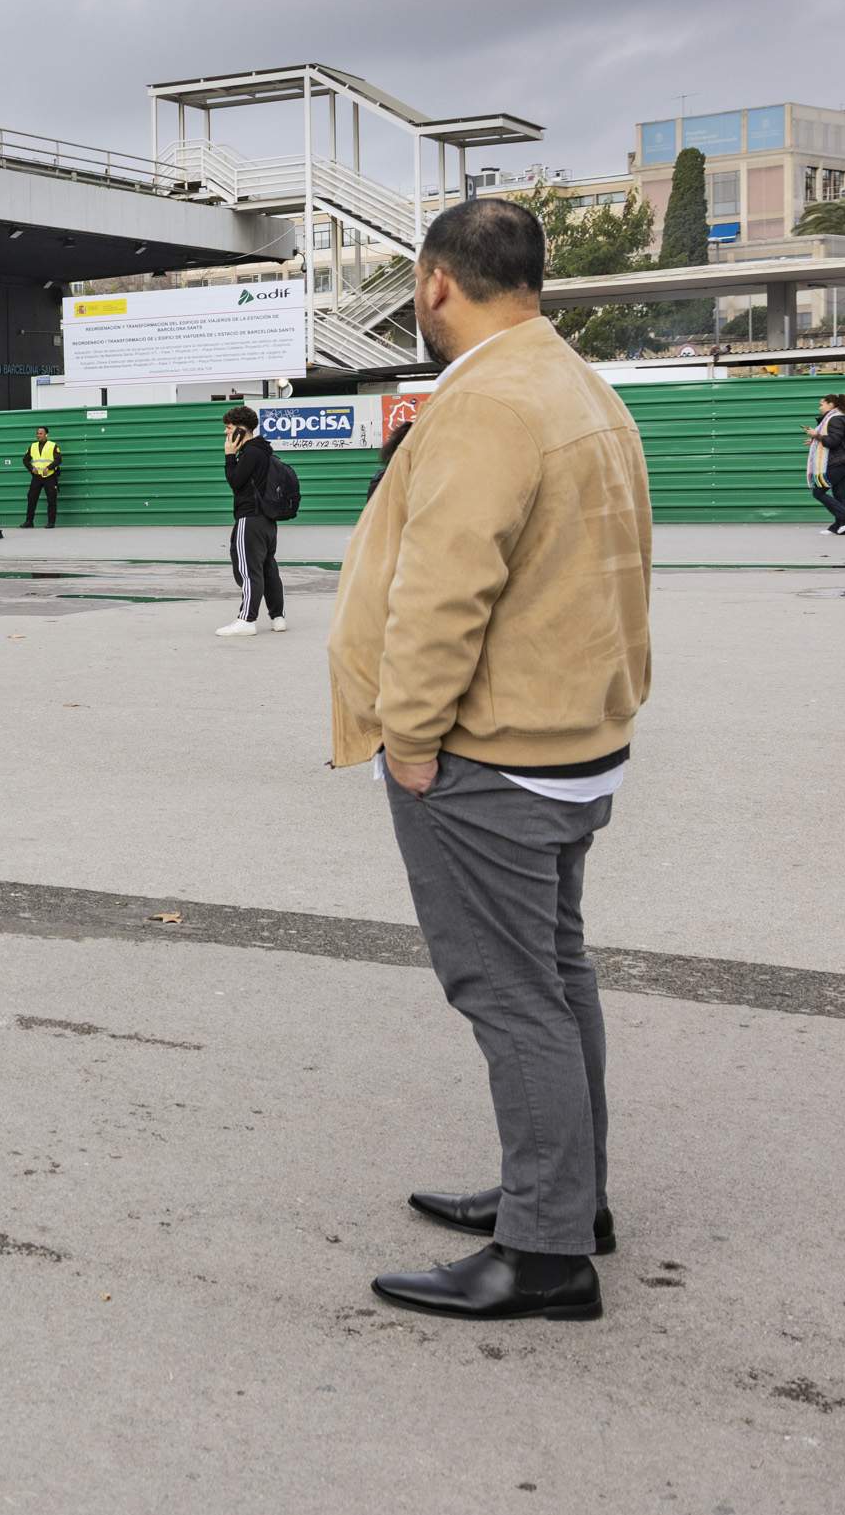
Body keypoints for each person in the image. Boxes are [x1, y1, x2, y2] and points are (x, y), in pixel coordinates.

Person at [329, 196, 652, 1324]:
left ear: (433, 285)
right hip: (573, 741)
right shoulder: (580, 385)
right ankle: (565, 1197)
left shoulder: (487, 403)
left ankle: (547, 1254)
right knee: (557, 981)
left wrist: (408, 740)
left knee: (511, 995)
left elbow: (443, 592)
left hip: (491, 757)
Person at [218, 405, 286, 638]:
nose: (226, 434)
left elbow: (235, 481)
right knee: (268, 568)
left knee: (248, 570)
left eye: (228, 428)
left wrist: (229, 456)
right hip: (267, 521)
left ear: (240, 430)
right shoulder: (264, 451)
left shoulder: (251, 452)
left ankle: (246, 619)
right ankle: (278, 617)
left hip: (250, 518)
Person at [807, 392, 845, 535]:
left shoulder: (835, 419)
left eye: (822, 404)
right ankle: (840, 528)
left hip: (839, 462)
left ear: (831, 404)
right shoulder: (834, 418)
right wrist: (816, 440)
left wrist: (817, 435)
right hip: (843, 461)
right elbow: (837, 440)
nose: (819, 407)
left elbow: (833, 442)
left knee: (818, 492)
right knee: (839, 494)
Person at [24, 428, 62, 529]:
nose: (38, 435)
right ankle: (29, 522)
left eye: (41, 433)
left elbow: (58, 460)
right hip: (37, 477)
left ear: (46, 435)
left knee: (51, 500)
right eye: (37, 433)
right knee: (31, 498)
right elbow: (25, 460)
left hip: (50, 476)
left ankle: (51, 522)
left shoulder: (53, 445)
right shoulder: (33, 446)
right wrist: (32, 468)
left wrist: (49, 467)